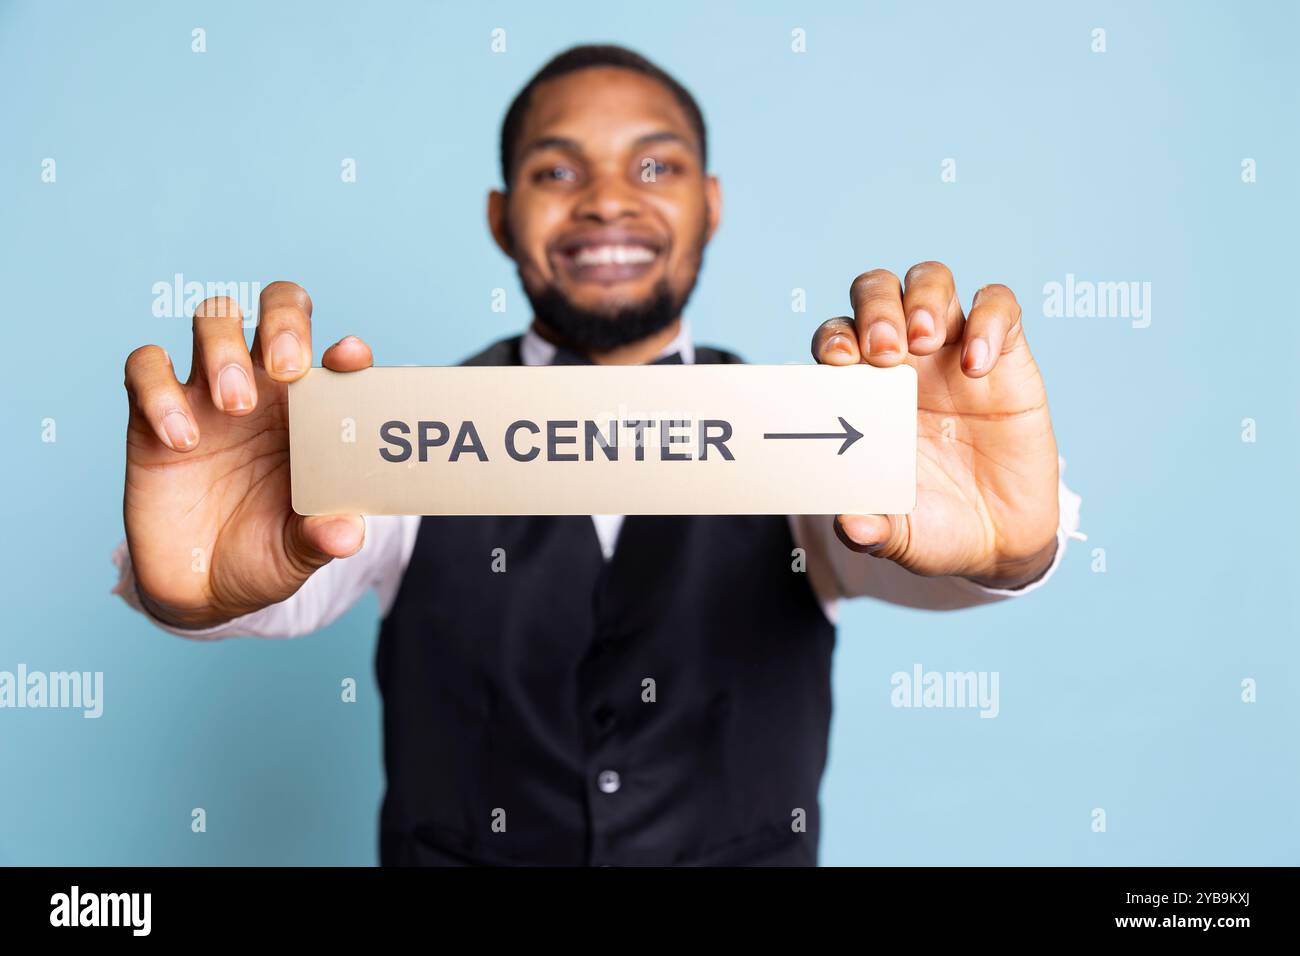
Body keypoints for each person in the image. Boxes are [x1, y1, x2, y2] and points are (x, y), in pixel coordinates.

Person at [114, 45, 1081, 866]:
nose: (608, 202)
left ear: (711, 206)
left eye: (655, 169)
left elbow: (932, 560)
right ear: (502, 217)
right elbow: (277, 579)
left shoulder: (813, 428)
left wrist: (1011, 548)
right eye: (557, 170)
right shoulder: (399, 432)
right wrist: (193, 589)